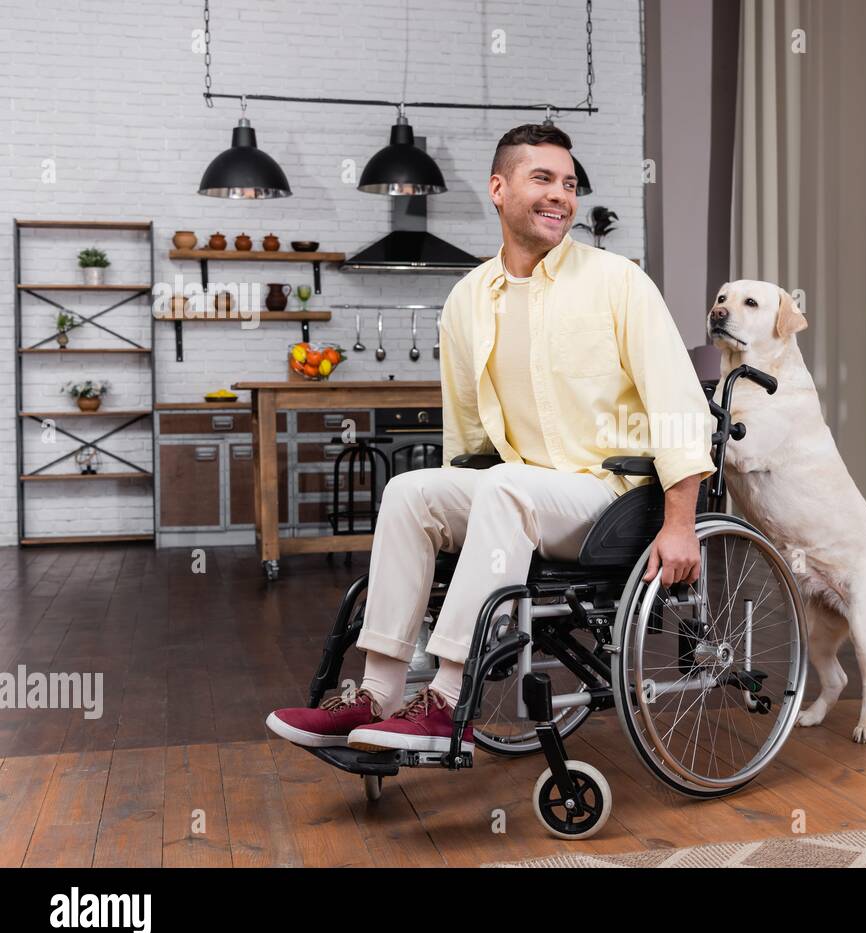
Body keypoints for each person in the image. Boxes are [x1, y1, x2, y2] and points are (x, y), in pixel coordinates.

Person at [266, 123, 715, 755]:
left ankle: (447, 704)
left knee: (504, 486)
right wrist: (457, 523)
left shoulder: (618, 283)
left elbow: (676, 405)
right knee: (411, 490)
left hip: (611, 501)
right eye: (543, 179)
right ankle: (376, 693)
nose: (560, 195)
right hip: (521, 494)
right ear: (499, 190)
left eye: (568, 183)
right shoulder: (467, 301)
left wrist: (680, 522)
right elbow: (468, 438)